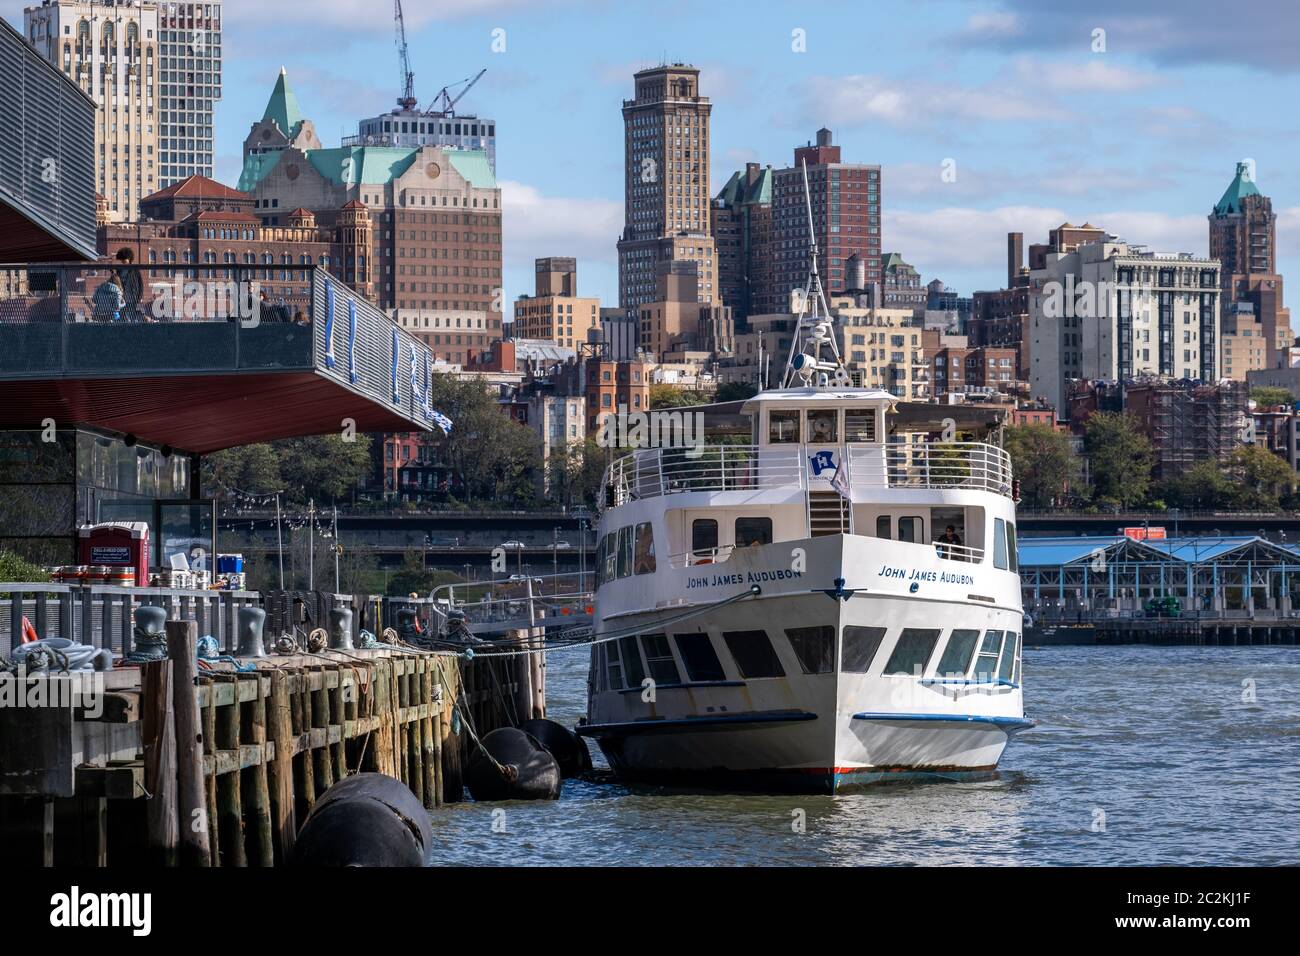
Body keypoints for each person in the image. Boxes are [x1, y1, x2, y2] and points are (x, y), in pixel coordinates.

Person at [114, 248, 143, 321]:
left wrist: (139, 297)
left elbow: (140, 284)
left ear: (129, 259)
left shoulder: (135, 270)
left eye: (124, 259)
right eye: (122, 260)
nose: (123, 261)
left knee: (131, 317)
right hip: (122, 298)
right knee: (122, 317)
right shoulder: (119, 270)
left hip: (132, 298)